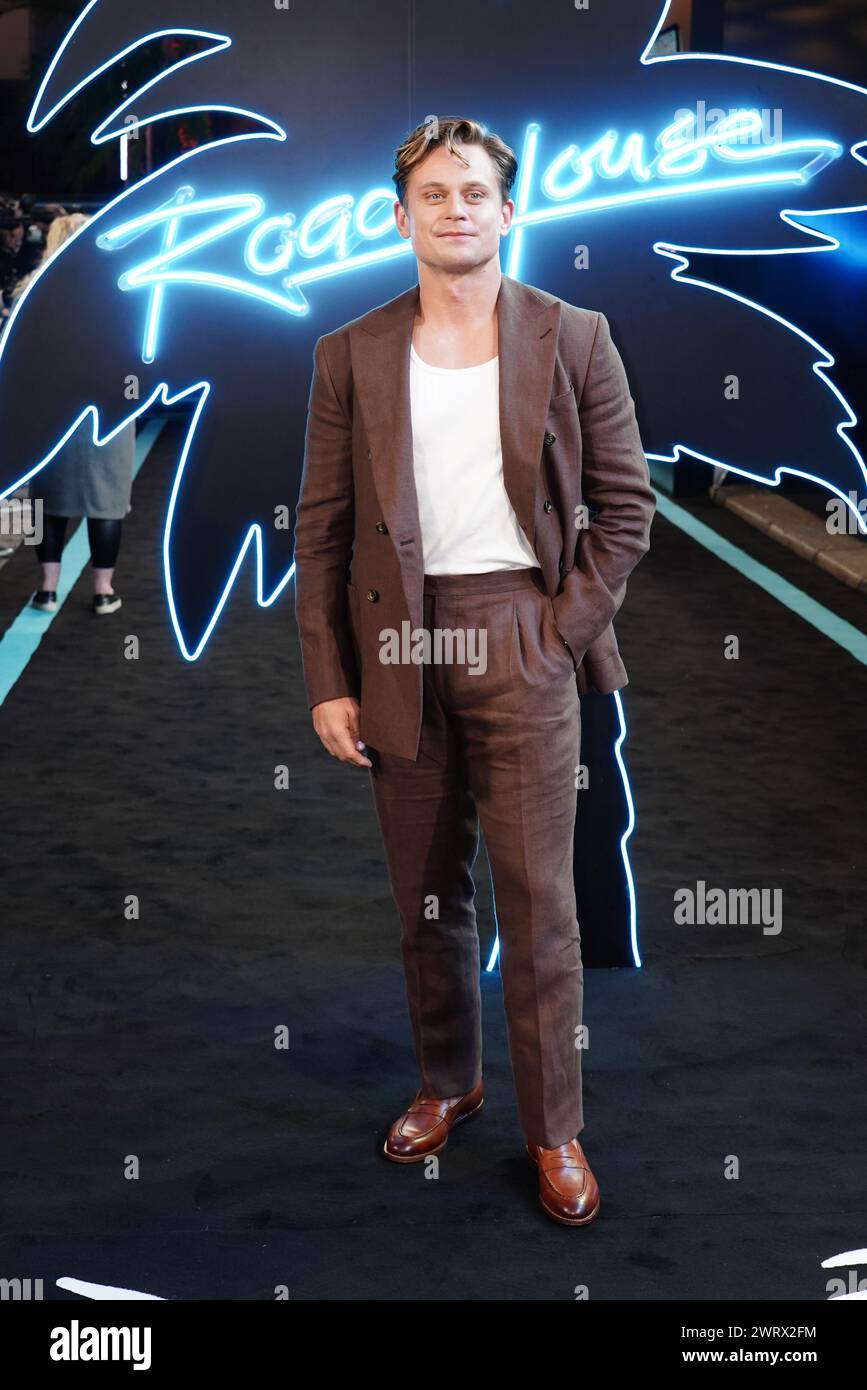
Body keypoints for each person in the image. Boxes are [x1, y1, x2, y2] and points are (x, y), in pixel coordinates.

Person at [293, 117, 656, 1226]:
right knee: (429, 895)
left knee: (542, 903)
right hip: (398, 638)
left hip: (520, 629)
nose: (456, 208)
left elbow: (627, 509)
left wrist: (552, 635)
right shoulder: (349, 351)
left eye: (476, 192)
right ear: (400, 217)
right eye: (434, 193)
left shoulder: (575, 334)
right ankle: (450, 1082)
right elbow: (321, 530)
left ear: (510, 212)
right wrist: (328, 677)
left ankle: (556, 1130)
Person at [8, 212, 135, 615]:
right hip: (106, 410)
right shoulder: (118, 290)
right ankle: (103, 591)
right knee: (107, 502)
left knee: (48, 502)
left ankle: (47, 589)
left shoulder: (32, 291)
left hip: (51, 412)